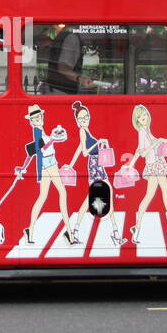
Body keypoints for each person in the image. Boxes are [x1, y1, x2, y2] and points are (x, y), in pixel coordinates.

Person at [118, 104, 167, 246]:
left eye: (145, 115)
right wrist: (156, 142)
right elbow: (144, 152)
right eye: (141, 117)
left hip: (157, 163)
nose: (144, 118)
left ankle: (137, 228)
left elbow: (139, 150)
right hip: (154, 165)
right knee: (165, 195)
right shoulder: (141, 132)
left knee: (151, 196)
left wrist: (161, 140)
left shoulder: (146, 130)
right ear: (137, 120)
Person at [66, 100, 121, 245]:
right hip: (94, 166)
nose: (84, 120)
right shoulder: (82, 131)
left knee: (95, 198)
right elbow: (85, 152)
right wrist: (98, 142)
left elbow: (78, 148)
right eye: (81, 118)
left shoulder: (86, 130)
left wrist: (70, 165)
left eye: (86, 117)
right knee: (101, 196)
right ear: (77, 120)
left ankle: (74, 231)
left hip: (98, 165)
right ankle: (114, 233)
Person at [19, 104, 73, 246]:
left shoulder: (40, 130)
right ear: (31, 121)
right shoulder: (37, 131)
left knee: (42, 197)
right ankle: (69, 232)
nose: (38, 120)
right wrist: (53, 139)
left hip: (46, 165)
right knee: (62, 192)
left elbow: (33, 151)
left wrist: (23, 167)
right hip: (50, 164)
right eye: (35, 119)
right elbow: (41, 150)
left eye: (39, 117)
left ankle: (30, 230)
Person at [41, 24, 92, 94]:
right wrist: (81, 79)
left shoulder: (62, 36)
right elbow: (63, 68)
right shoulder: (72, 38)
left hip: (55, 88)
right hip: (62, 91)